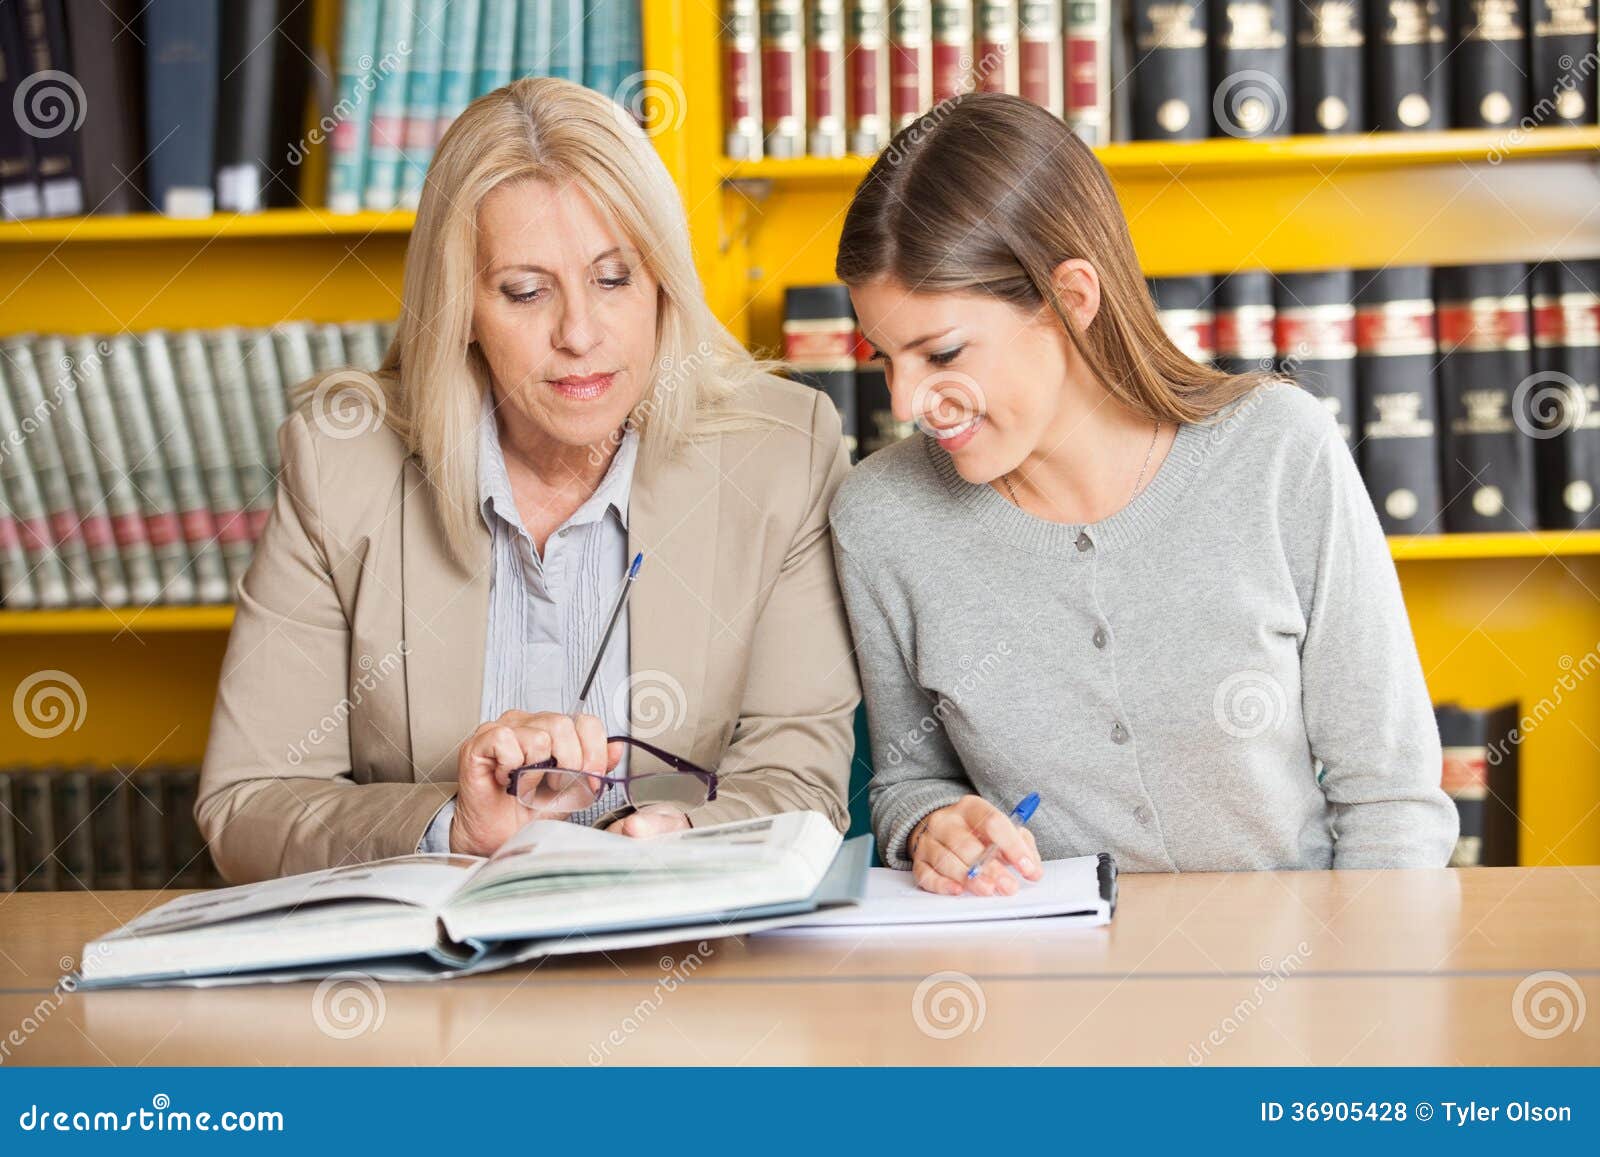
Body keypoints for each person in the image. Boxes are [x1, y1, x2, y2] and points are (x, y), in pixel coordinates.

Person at [197, 78, 859, 883]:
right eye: (525, 290)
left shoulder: (783, 450)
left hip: (679, 972)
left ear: (662, 285)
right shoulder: (341, 465)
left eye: (614, 279)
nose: (579, 333)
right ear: (460, 307)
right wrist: (450, 824)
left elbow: (800, 788)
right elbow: (248, 801)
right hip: (429, 987)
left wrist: (675, 829)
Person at [828, 92, 1458, 896]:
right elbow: (907, 781)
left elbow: (1392, 798)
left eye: (941, 351)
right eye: (883, 358)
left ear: (1073, 300)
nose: (909, 401)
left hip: (1297, 987)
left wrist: (1356, 996)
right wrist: (933, 825)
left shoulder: (1276, 453)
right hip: (1046, 999)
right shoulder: (881, 517)